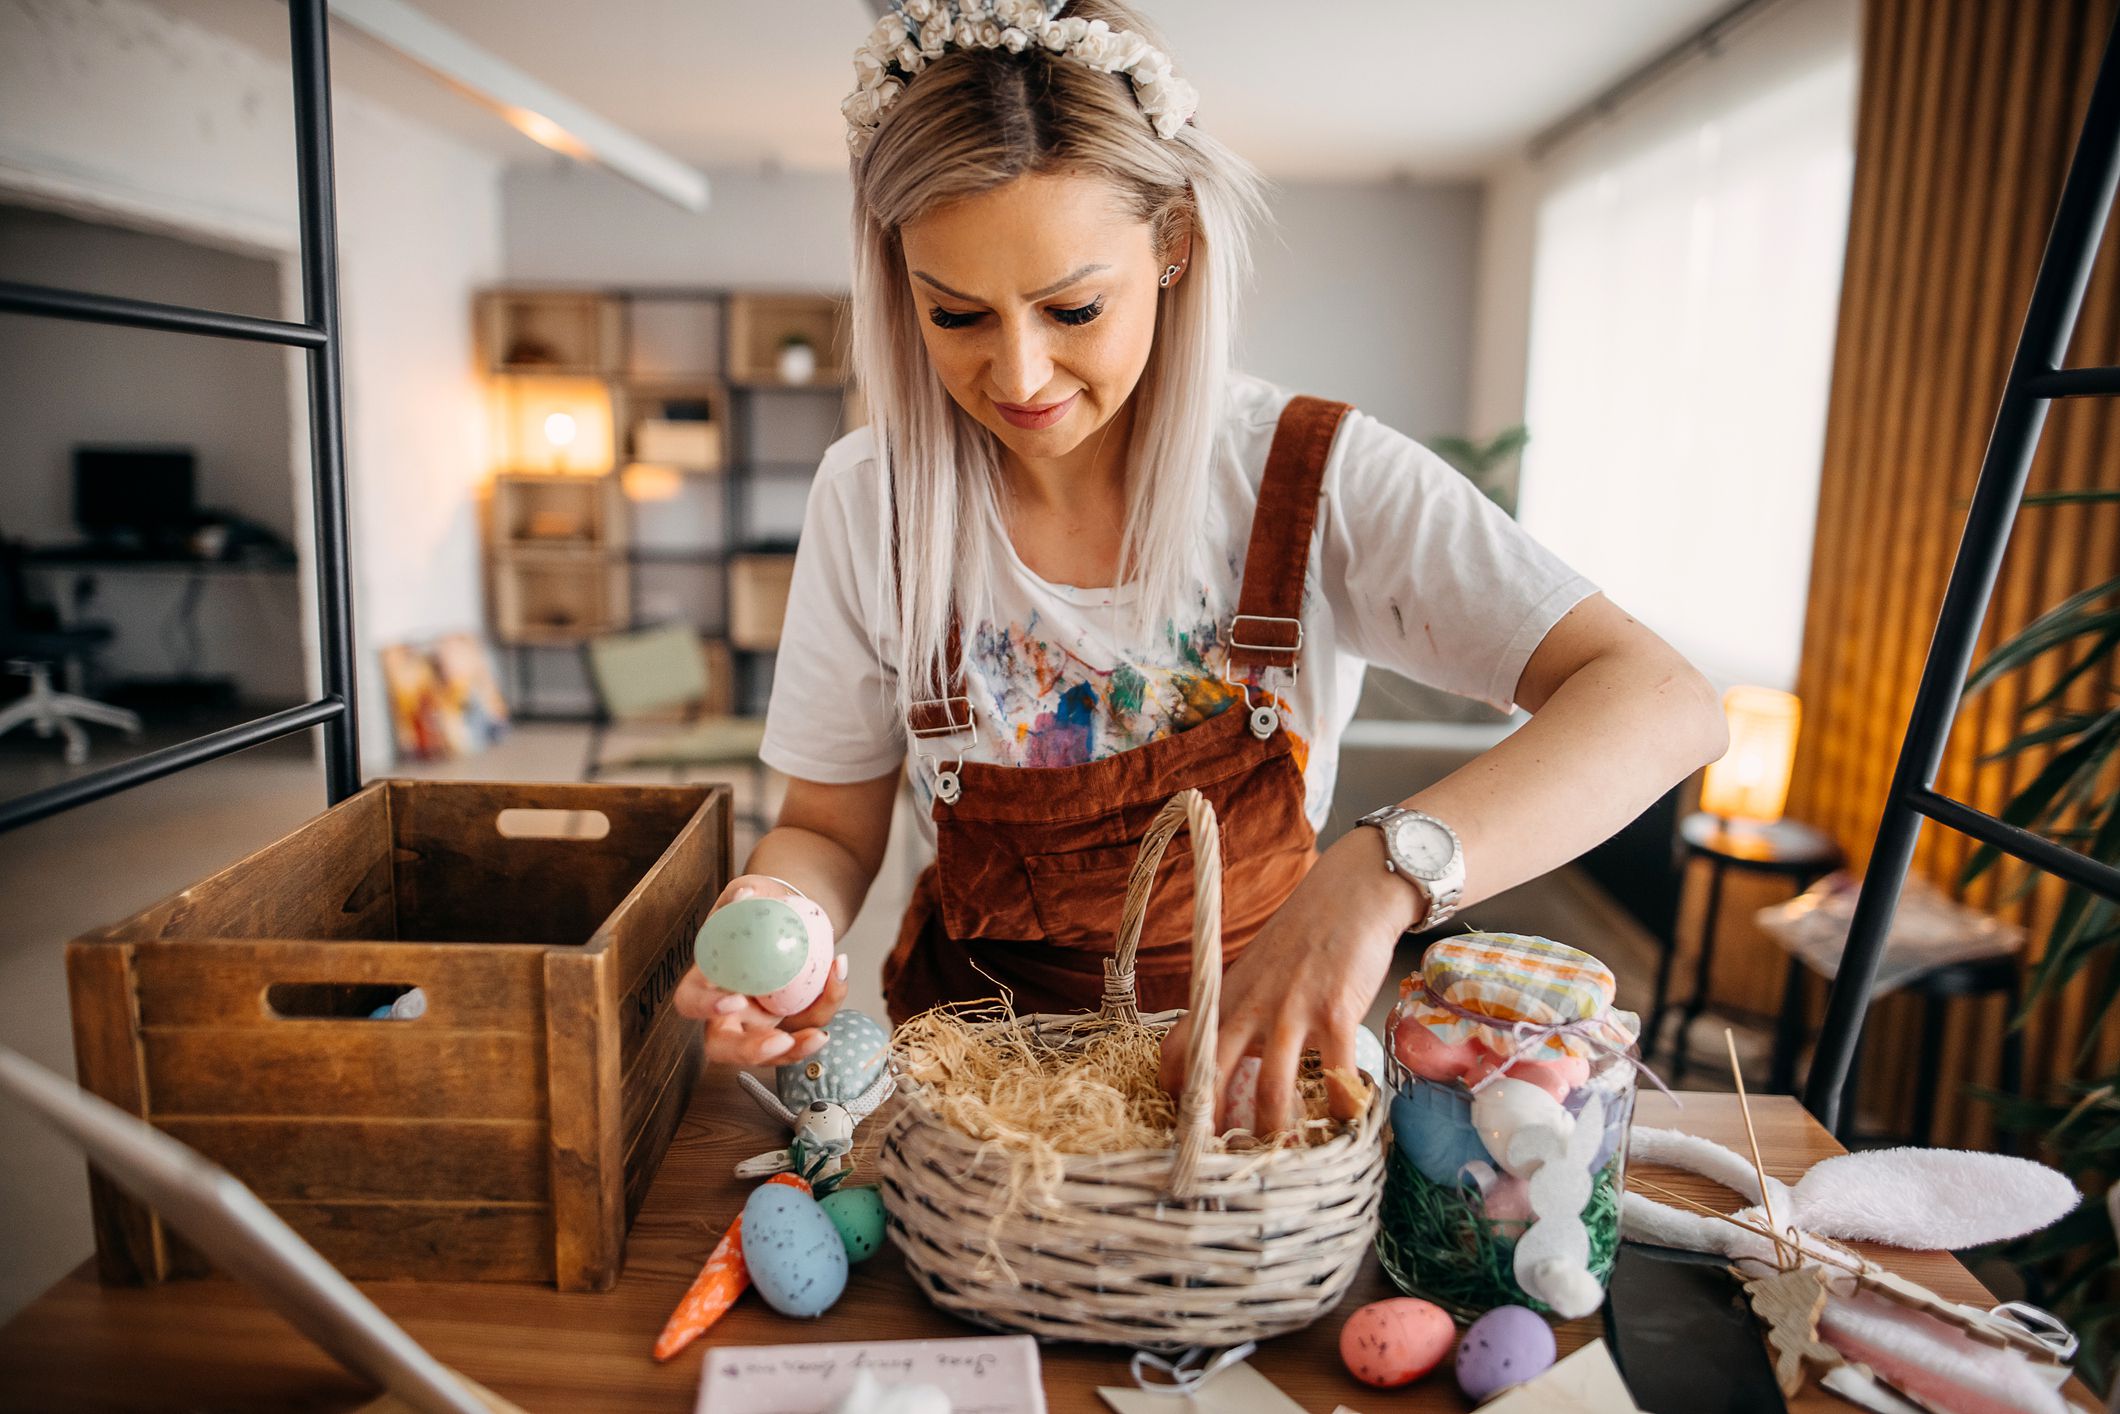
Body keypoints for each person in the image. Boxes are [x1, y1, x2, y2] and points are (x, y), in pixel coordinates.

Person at [674, 0, 1728, 1135]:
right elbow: (829, 832)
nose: (1019, 372)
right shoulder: (868, 499)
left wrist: (1378, 872)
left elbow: (1662, 702)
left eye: (1073, 305)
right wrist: (777, 912)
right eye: (956, 314)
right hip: (967, 1113)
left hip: (1242, 1103)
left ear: (1171, 242)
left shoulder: (1311, 477)